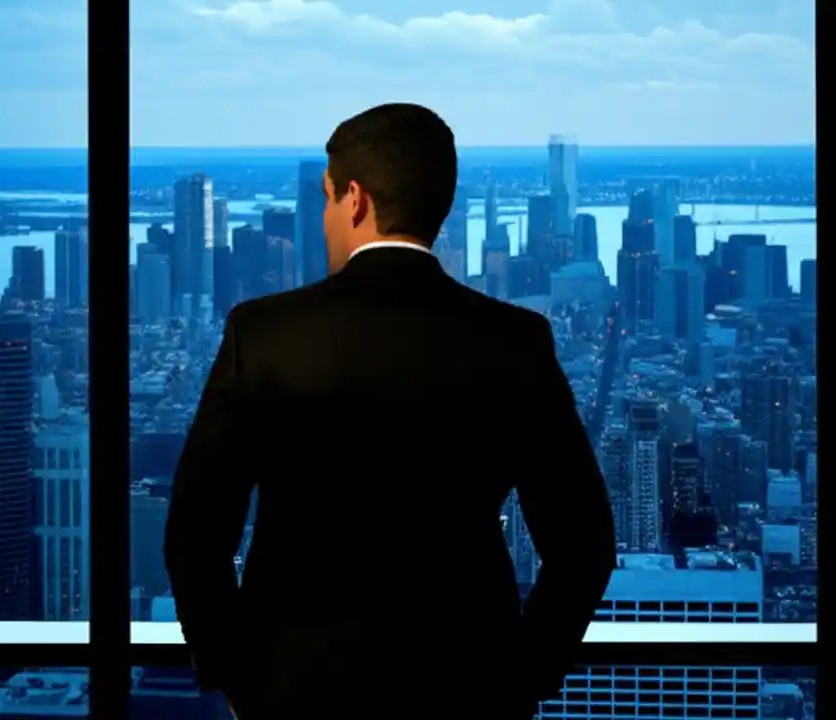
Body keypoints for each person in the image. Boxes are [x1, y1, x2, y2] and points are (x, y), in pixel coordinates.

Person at [164, 102, 616, 720]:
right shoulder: (514, 340)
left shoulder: (264, 335)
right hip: (467, 696)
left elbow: (194, 535)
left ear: (355, 199)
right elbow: (584, 543)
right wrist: (521, 674)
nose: (324, 219)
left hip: (296, 694)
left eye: (327, 200)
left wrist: (237, 675)